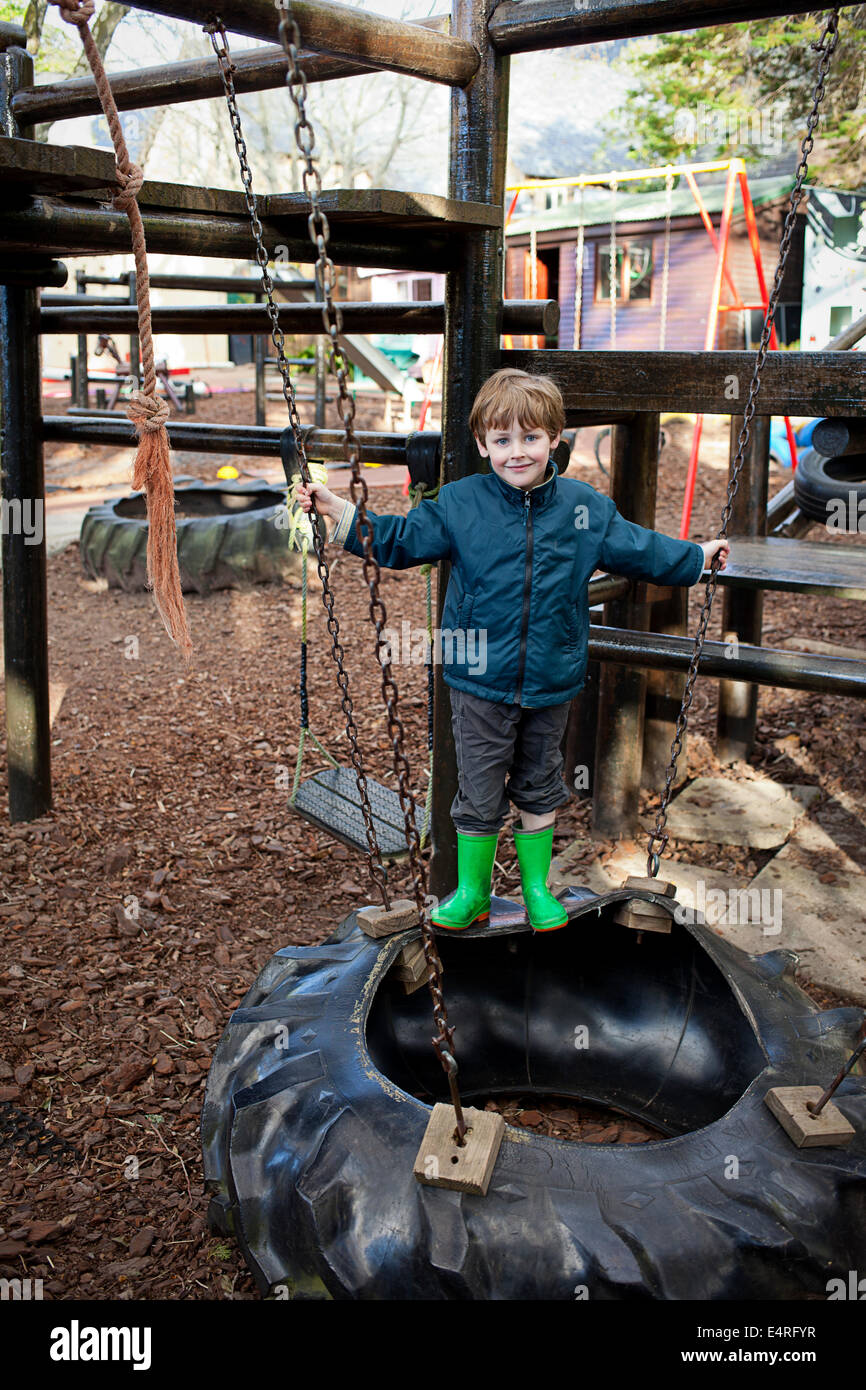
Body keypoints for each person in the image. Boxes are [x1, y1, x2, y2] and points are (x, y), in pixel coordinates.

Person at [296, 368, 729, 933]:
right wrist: (340, 513)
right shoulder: (460, 504)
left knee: (540, 781)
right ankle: (473, 890)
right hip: (479, 675)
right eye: (502, 441)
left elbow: (637, 548)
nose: (516, 452)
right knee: (478, 785)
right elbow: (401, 541)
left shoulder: (584, 508)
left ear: (554, 438)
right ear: (483, 445)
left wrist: (695, 559)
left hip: (551, 673)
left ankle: (533, 887)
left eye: (530, 438)